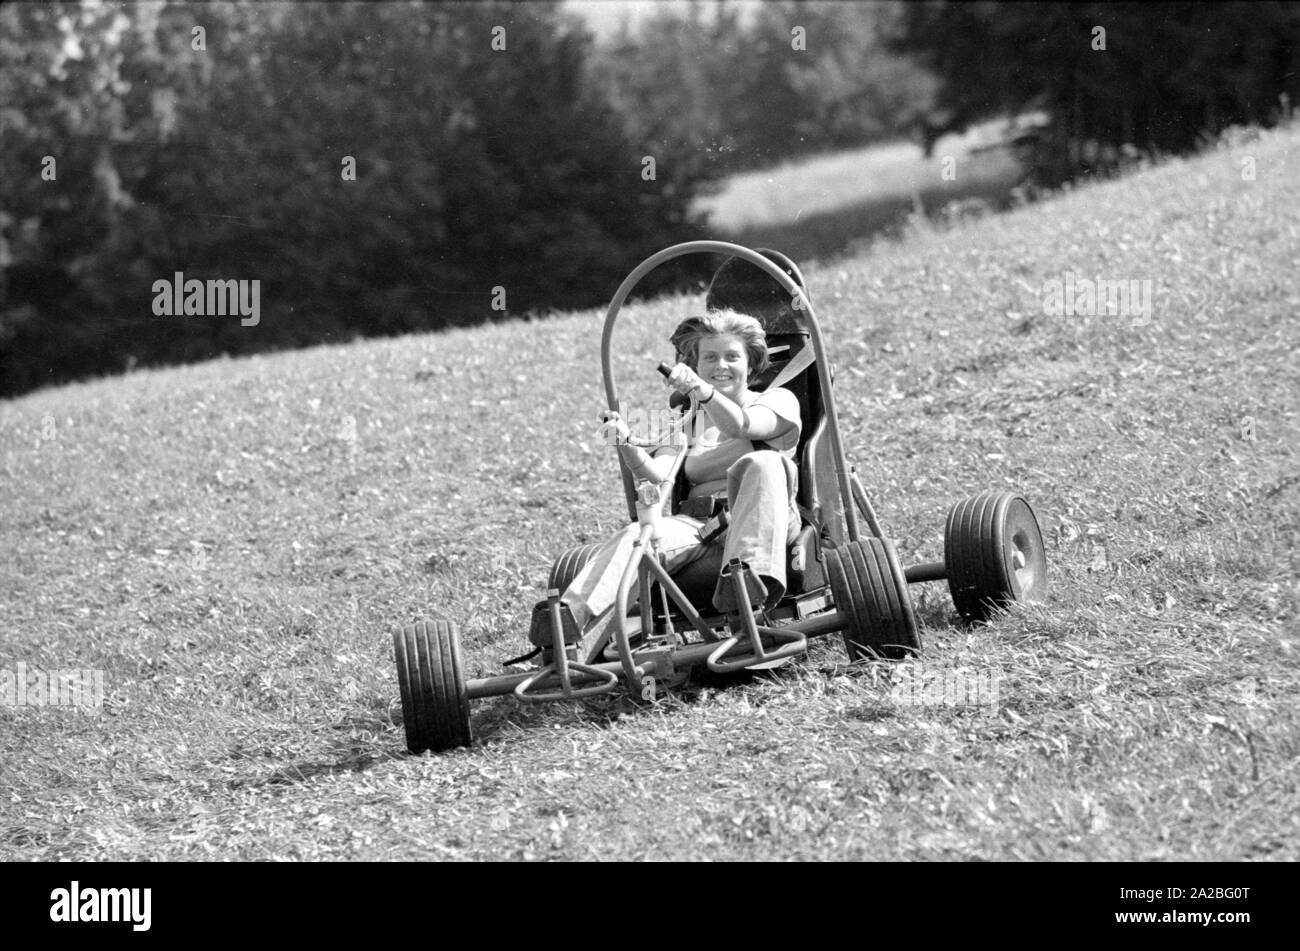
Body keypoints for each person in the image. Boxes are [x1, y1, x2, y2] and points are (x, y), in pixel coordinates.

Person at [531, 308, 803, 660]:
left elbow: (743, 425)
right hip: (701, 527)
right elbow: (658, 476)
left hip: (768, 519)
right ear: (696, 364)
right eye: (710, 358)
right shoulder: (688, 420)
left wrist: (700, 391)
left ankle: (745, 601)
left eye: (732, 356)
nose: (721, 365)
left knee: (761, 461)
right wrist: (627, 444)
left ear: (750, 364)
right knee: (640, 534)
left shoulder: (778, 401)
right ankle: (565, 628)